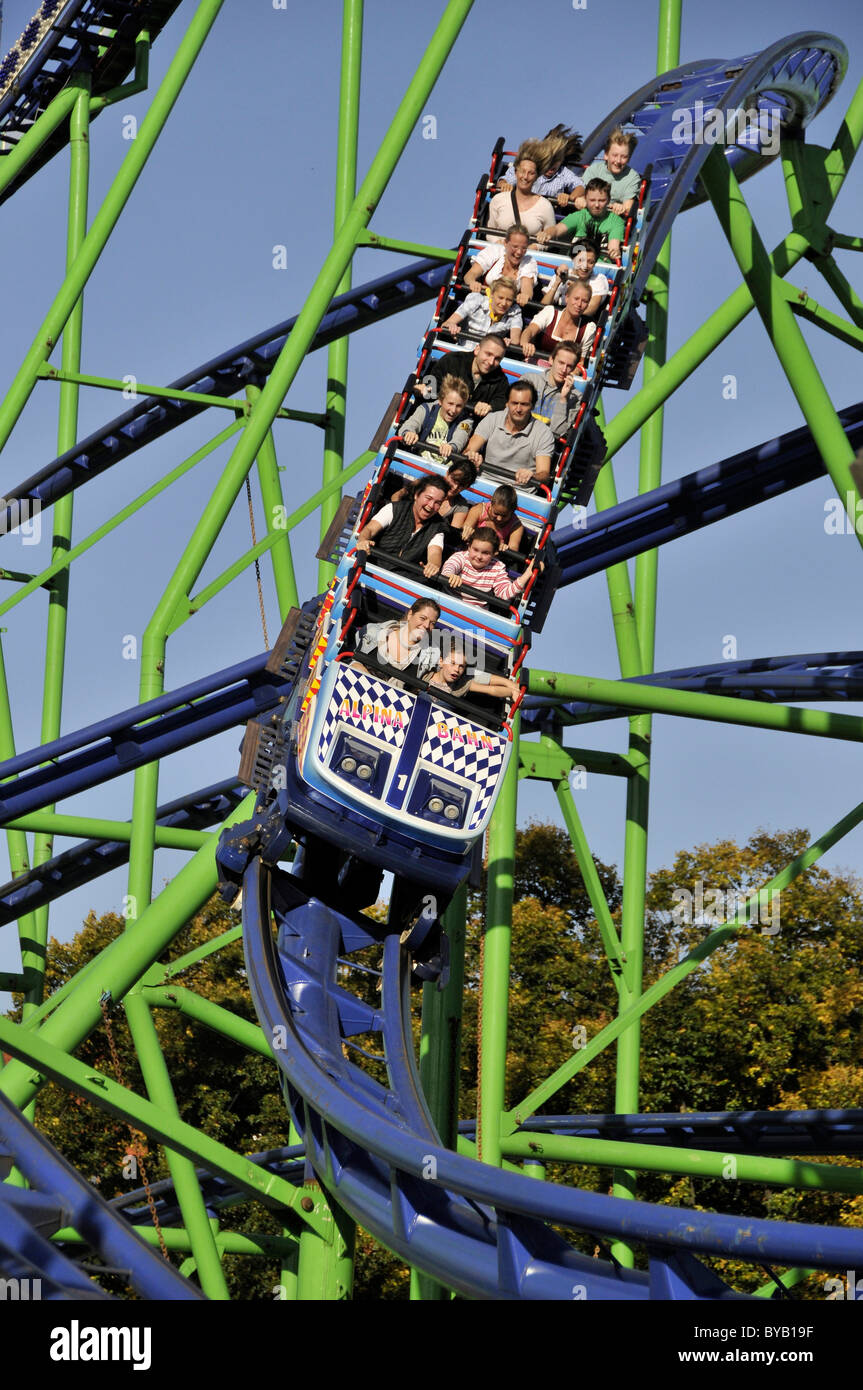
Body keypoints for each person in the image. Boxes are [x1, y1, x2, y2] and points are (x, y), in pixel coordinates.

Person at [464, 381, 555, 489]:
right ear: (507, 404)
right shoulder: (492, 419)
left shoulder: (543, 433)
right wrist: (472, 456)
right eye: (514, 403)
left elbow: (544, 474)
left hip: (519, 491)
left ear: (532, 406)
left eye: (524, 404)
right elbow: (468, 450)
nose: (518, 409)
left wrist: (532, 476)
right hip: (484, 483)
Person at [355, 476, 448, 576]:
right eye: (428, 498)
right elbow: (369, 529)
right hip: (373, 568)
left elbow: (435, 552)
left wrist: (433, 565)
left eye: (437, 503)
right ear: (417, 495)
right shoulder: (394, 509)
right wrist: (363, 541)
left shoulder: (437, 526)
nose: (431, 505)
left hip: (403, 578)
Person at [417, 335, 508, 421]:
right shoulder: (451, 361)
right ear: (477, 350)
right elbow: (431, 388)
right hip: (436, 417)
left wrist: (489, 407)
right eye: (488, 354)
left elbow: (500, 403)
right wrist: (421, 389)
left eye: (497, 359)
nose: (491, 362)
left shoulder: (501, 381)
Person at [440, 527, 536, 608]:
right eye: (475, 550)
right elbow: (449, 567)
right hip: (447, 602)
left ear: (494, 553)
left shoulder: (497, 568)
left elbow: (505, 594)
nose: (479, 556)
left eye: (485, 553)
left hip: (475, 613)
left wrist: (528, 572)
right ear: (469, 547)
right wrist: (450, 576)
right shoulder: (461, 557)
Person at [354, 597, 440, 685]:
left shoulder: (429, 659)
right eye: (423, 618)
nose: (426, 625)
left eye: (432, 623)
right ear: (410, 615)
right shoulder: (372, 632)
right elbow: (349, 659)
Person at [535, 178, 625, 259]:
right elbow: (557, 229)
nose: (597, 205)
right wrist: (546, 234)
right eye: (592, 200)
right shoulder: (579, 216)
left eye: (601, 200)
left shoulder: (616, 221)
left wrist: (614, 251)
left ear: (608, 200)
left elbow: (614, 245)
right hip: (575, 263)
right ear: (585, 199)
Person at [486, 143, 556, 241]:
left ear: (536, 177)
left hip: (530, 254)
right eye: (522, 171)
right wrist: (498, 243)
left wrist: (535, 247)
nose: (525, 177)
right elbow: (490, 231)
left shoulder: (545, 205)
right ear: (515, 172)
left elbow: (550, 234)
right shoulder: (499, 199)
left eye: (531, 173)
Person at [397, 375, 472, 461]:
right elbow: (411, 424)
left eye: (459, 406)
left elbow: (461, 436)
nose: (453, 410)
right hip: (418, 461)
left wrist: (452, 446)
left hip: (444, 470)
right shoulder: (426, 409)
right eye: (450, 404)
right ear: (440, 400)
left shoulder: (466, 421)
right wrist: (409, 433)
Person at [499, 131, 582, 207]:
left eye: (556, 159)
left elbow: (580, 186)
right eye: (548, 160)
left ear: (561, 160)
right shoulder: (528, 165)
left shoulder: (563, 173)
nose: (551, 164)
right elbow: (503, 181)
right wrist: (504, 185)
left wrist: (570, 197)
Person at [464, 224, 538, 307]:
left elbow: (527, 287)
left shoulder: (528, 262)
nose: (519, 252)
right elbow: (470, 275)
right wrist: (473, 283)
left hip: (507, 310)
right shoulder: (494, 251)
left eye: (524, 248)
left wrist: (525, 296)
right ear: (505, 243)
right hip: (482, 302)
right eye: (515, 247)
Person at [521, 280, 595, 363]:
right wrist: (525, 344)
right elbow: (529, 331)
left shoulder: (588, 329)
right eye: (576, 298)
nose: (579, 304)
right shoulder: (549, 312)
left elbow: (580, 363)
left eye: (584, 301)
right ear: (567, 298)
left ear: (587, 305)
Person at [572, 128, 641, 217]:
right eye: (615, 155)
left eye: (624, 157)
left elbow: (628, 207)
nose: (618, 161)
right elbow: (581, 193)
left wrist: (621, 208)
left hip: (612, 221)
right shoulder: (593, 170)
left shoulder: (632, 177)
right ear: (606, 155)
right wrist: (580, 199)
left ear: (629, 158)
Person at [439, 278, 523, 346]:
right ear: (492, 295)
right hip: (464, 350)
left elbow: (515, 341)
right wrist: (452, 326)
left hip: (490, 358)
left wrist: (508, 341)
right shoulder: (476, 300)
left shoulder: (515, 312)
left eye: (509, 300)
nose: (504, 303)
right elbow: (446, 324)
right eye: (500, 298)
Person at [423, 647, 521, 702]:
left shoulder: (461, 685)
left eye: (461, 666)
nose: (457, 669)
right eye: (453, 663)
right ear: (441, 661)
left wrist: (512, 691)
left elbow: (491, 689)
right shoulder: (426, 674)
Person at [541, 240, 610, 316]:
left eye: (590, 262)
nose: (585, 266)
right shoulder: (562, 274)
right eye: (581, 260)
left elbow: (590, 309)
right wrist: (557, 283)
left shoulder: (598, 280)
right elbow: (543, 308)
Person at [533, 341, 582, 435]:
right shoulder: (531, 380)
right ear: (551, 359)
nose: (564, 370)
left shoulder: (576, 397)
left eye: (569, 366)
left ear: (574, 368)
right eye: (561, 363)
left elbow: (558, 431)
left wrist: (563, 399)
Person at [462, 483, 524, 552]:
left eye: (504, 516)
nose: (499, 519)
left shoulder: (516, 526)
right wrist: (467, 530)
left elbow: (513, 549)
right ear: (491, 505)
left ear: (512, 512)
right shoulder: (478, 510)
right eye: (496, 513)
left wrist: (505, 548)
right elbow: (466, 528)